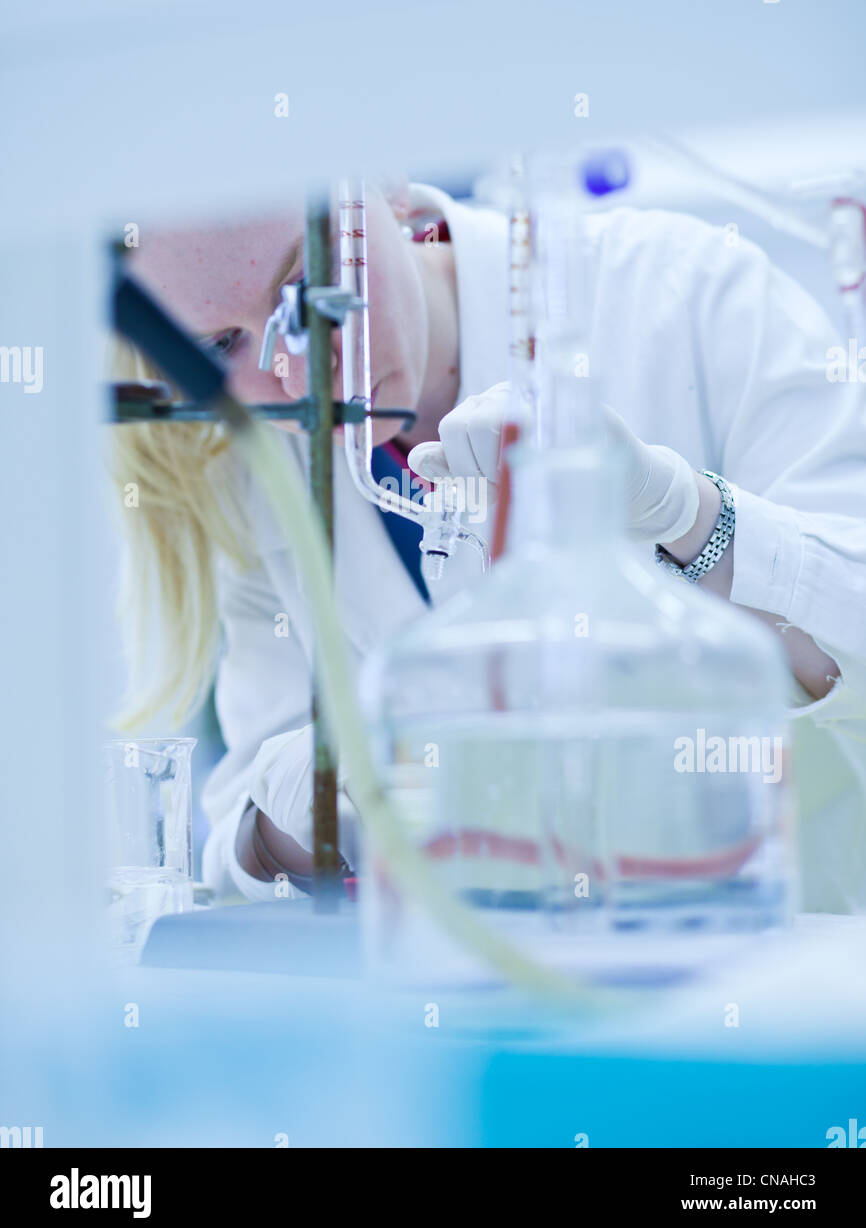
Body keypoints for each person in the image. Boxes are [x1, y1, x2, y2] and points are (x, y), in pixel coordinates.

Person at [113, 180, 866, 913]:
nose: (300, 369)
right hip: (466, 998)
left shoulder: (686, 291)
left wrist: (683, 513)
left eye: (313, 285)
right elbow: (240, 830)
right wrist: (312, 810)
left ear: (387, 180)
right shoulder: (248, 472)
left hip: (783, 959)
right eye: (218, 344)